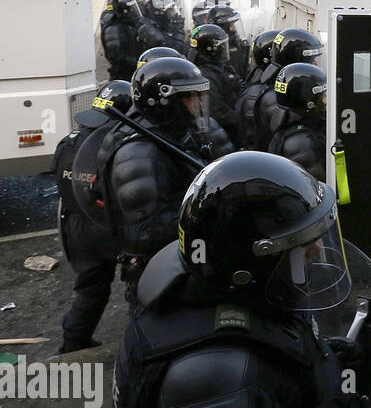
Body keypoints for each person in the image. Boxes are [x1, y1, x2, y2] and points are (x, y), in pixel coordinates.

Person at [114, 151, 371, 408]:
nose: (315, 250)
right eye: (299, 243)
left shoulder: (227, 299)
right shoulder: (211, 378)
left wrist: (317, 363)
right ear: (248, 264)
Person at [96, 58, 214, 305]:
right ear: (164, 103)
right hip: (159, 272)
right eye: (190, 97)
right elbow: (145, 232)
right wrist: (208, 216)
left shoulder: (166, 133)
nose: (197, 105)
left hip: (179, 257)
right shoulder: (139, 155)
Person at [51, 81, 131, 353]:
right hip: (108, 225)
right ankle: (139, 344)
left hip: (75, 226)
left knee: (89, 289)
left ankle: (73, 343)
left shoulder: (69, 141)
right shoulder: (120, 144)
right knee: (139, 286)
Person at [248, 28, 323, 151]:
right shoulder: (276, 98)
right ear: (298, 59)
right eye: (312, 59)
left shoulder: (270, 84)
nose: (316, 64)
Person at [268, 63, 327, 182]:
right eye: (322, 96)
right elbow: (322, 185)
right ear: (309, 102)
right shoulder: (301, 144)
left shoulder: (289, 128)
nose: (325, 101)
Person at [189, 23, 243, 146]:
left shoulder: (217, 66)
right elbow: (217, 112)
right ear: (209, 49)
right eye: (221, 46)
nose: (224, 49)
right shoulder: (206, 76)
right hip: (225, 133)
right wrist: (240, 119)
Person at [208, 6, 250, 81]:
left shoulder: (237, 45)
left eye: (234, 24)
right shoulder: (213, 53)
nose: (234, 29)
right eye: (231, 25)